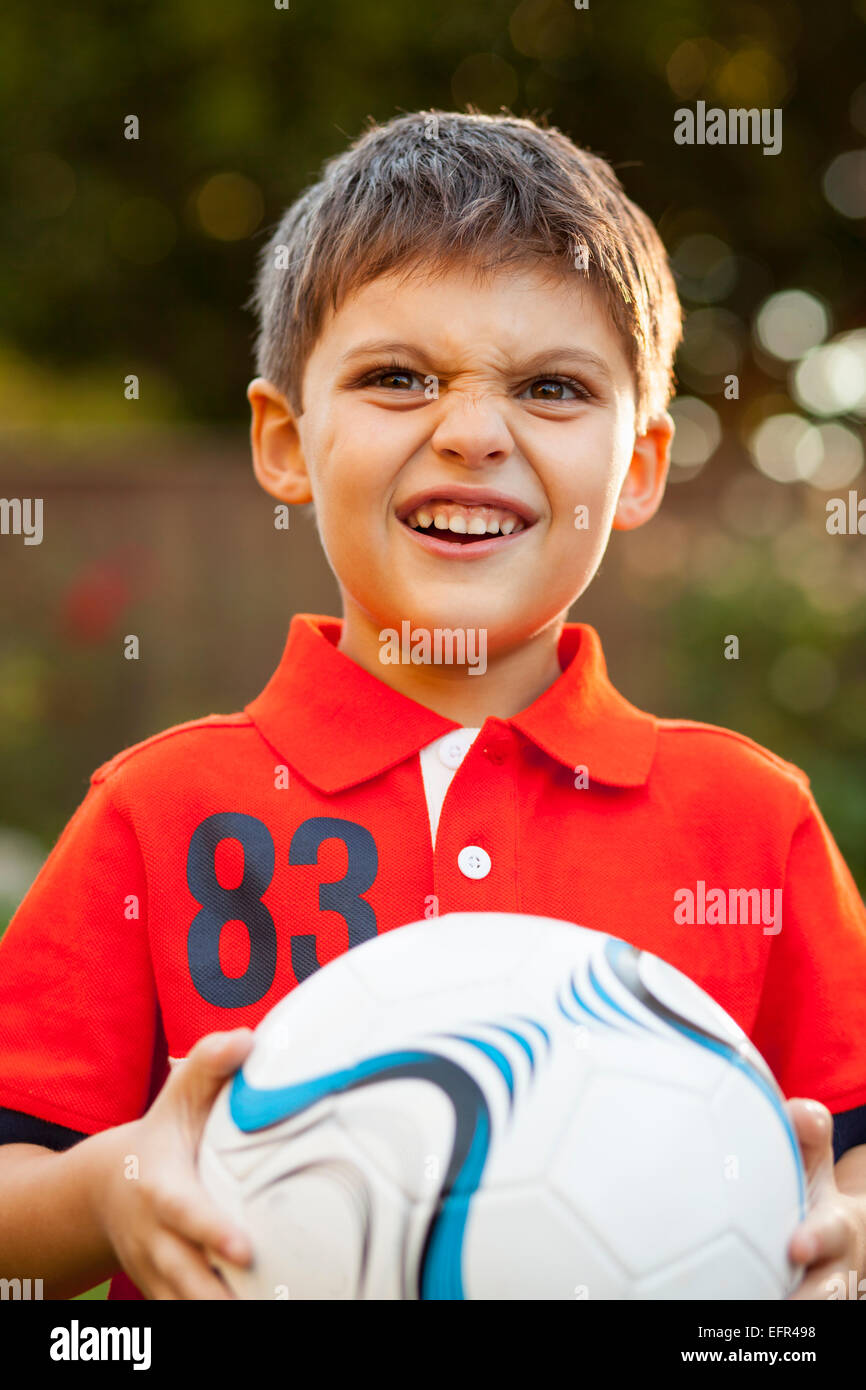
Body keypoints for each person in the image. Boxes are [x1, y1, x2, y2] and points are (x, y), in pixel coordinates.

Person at [1, 111, 865, 1301]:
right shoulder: (156, 812)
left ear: (641, 466)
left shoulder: (750, 822)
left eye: (551, 388)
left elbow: (854, 1166)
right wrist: (106, 1190)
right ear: (285, 440)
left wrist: (847, 1236)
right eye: (397, 378)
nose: (470, 435)